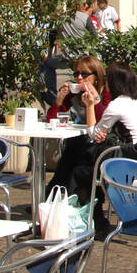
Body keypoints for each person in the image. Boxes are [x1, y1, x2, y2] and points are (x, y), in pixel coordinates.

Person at [85, 62, 137, 233]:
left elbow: (93, 134)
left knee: (83, 168)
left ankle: (92, 217)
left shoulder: (117, 105)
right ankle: (96, 217)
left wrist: (90, 106)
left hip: (129, 162)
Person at [45, 55, 111, 199]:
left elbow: (104, 120)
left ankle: (64, 201)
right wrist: (60, 98)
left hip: (102, 142)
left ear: (96, 76)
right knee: (69, 154)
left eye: (84, 74)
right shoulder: (75, 93)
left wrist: (94, 99)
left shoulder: (105, 91)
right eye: (77, 74)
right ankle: (50, 200)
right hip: (81, 140)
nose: (79, 78)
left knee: (76, 160)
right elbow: (51, 119)